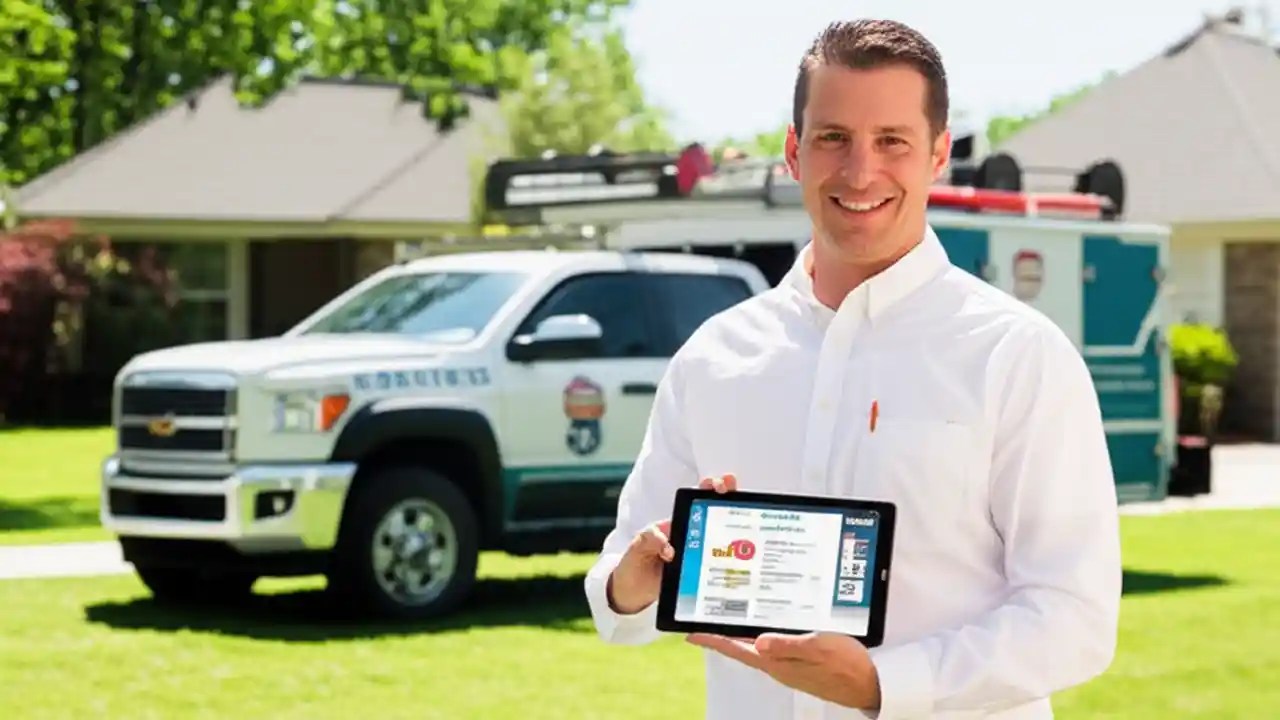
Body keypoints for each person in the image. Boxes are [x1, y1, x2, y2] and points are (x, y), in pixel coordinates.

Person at [583, 17, 1122, 720]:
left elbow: (1074, 618)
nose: (861, 172)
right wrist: (633, 579)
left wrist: (883, 684)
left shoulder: (1016, 355)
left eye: (892, 141)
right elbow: (618, 594)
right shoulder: (715, 357)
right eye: (834, 138)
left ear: (937, 155)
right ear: (794, 152)